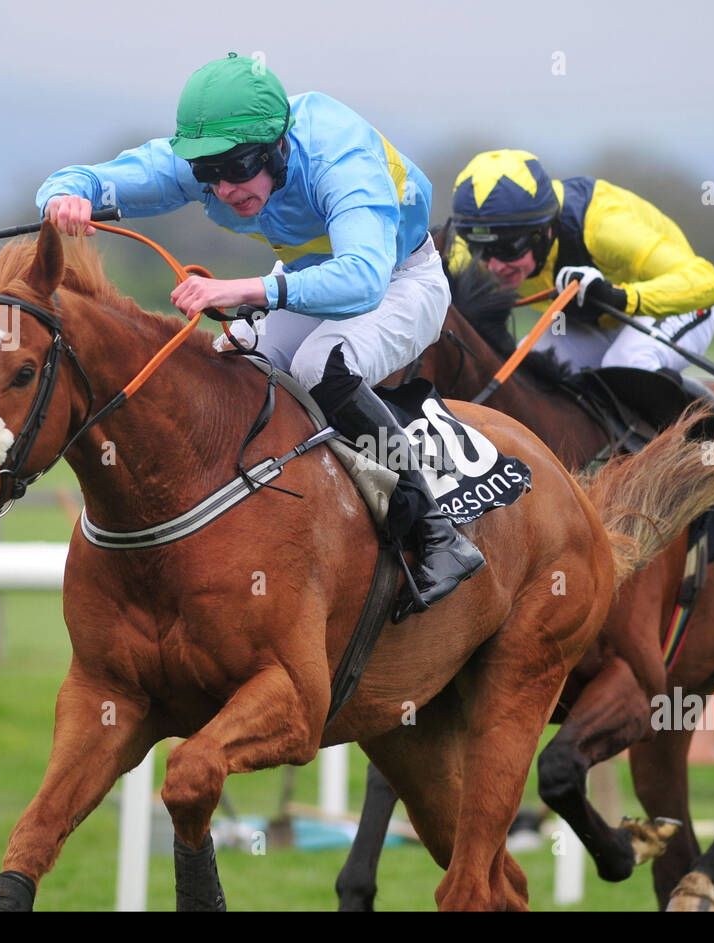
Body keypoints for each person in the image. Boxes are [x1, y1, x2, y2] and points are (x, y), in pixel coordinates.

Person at [36, 52, 483, 620]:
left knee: (323, 365)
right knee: (231, 366)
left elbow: (364, 279)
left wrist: (243, 291)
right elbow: (88, 179)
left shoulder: (338, 156)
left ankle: (439, 533)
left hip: (400, 280)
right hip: (305, 277)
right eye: (208, 174)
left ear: (277, 147)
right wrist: (65, 198)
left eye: (239, 168)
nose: (224, 188)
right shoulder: (215, 158)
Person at [449, 149, 714, 533]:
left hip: (670, 302)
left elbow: (706, 282)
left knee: (629, 363)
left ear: (546, 229)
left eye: (509, 248)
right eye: (481, 248)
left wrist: (621, 297)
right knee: (530, 381)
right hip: (587, 315)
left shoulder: (603, 226)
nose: (494, 265)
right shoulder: (473, 246)